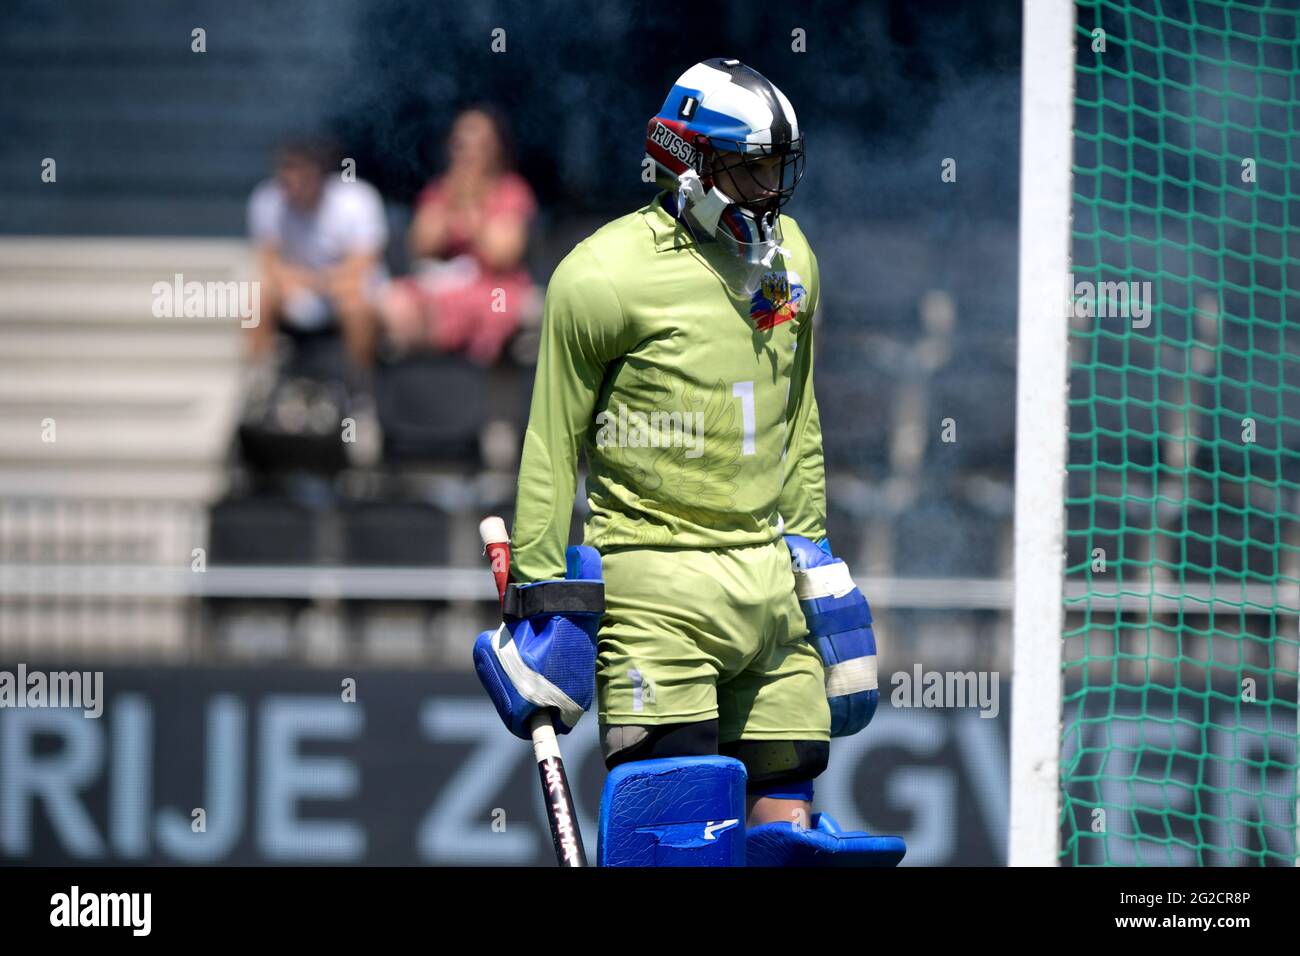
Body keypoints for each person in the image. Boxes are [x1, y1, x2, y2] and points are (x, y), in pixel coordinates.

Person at [474, 59, 899, 865]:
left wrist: (812, 558)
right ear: (687, 162)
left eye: (779, 168)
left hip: (770, 584)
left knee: (790, 831)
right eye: (749, 168)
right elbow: (550, 443)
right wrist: (542, 599)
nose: (770, 190)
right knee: (678, 836)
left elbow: (799, 418)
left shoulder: (794, 260)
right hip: (653, 589)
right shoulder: (600, 275)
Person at [381, 106, 538, 366]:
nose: (469, 154)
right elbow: (421, 245)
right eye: (461, 145)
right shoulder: (440, 190)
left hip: (495, 288)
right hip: (441, 285)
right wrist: (452, 202)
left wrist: (470, 212)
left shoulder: (511, 191)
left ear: (497, 150)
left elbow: (502, 255)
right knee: (395, 302)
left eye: (480, 146)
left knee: (493, 307)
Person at [247, 136, 388, 374]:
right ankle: (258, 376)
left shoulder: (357, 199)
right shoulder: (267, 200)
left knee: (354, 304)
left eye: (299, 172)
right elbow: (269, 263)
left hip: (350, 289)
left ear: (319, 174)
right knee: (257, 297)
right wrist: (312, 283)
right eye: (286, 171)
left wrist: (316, 281)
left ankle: (361, 384)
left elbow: (362, 265)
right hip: (303, 290)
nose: (291, 180)